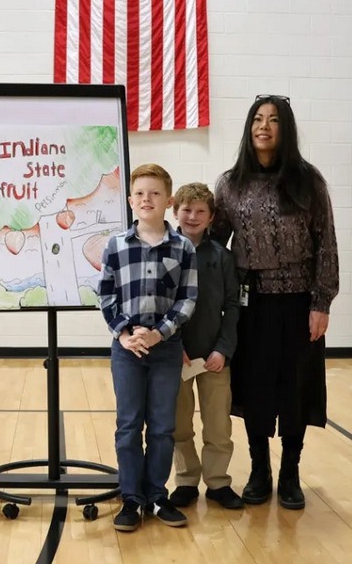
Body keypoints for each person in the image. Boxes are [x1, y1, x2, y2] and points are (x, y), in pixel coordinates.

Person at [211, 95, 339, 510]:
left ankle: (290, 474)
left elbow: (326, 245)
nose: (263, 126)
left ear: (286, 129)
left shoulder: (308, 181)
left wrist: (322, 301)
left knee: (295, 389)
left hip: (300, 302)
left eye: (273, 120)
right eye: (257, 120)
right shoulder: (230, 184)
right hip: (252, 304)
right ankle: (260, 470)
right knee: (256, 388)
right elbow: (214, 246)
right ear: (249, 129)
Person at [99, 163, 199, 531]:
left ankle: (156, 495)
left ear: (168, 200)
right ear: (129, 200)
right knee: (128, 425)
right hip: (126, 350)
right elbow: (106, 295)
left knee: (161, 427)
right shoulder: (116, 245)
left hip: (166, 349)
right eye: (140, 193)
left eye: (155, 193)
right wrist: (124, 334)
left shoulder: (183, 247)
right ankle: (130, 498)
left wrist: (160, 333)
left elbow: (187, 299)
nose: (146, 199)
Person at [169, 183, 243, 510]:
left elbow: (233, 305)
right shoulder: (164, 252)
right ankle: (185, 481)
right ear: (175, 212)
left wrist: (223, 349)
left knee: (218, 425)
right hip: (176, 356)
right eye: (187, 210)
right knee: (179, 424)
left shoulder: (222, 257)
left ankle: (217, 483)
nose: (193, 216)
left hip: (214, 357)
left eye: (201, 211)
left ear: (212, 217)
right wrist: (174, 346)